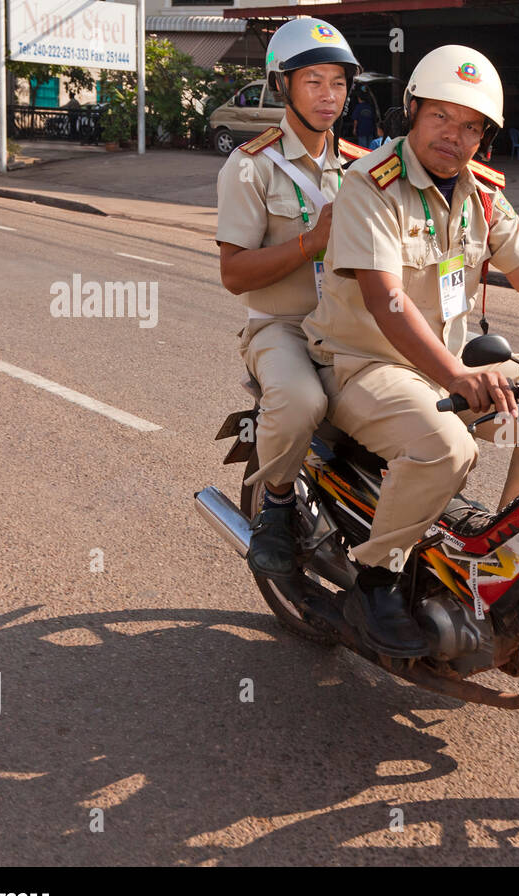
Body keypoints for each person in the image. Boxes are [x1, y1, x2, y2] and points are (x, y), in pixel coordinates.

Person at [305, 45, 519, 657]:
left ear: (485, 137)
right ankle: (376, 578)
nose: (454, 136)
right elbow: (384, 299)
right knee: (446, 448)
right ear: (413, 112)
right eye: (441, 118)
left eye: (471, 125)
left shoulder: (481, 197)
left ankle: (505, 564)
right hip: (364, 365)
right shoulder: (370, 184)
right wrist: (454, 371)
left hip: (444, 371)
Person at [215, 18, 370, 579]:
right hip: (281, 326)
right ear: (283, 86)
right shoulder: (250, 166)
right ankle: (277, 506)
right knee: (304, 403)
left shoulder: (360, 166)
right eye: (314, 82)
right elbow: (234, 272)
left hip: (351, 324)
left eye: (338, 82)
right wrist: (311, 242)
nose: (330, 96)